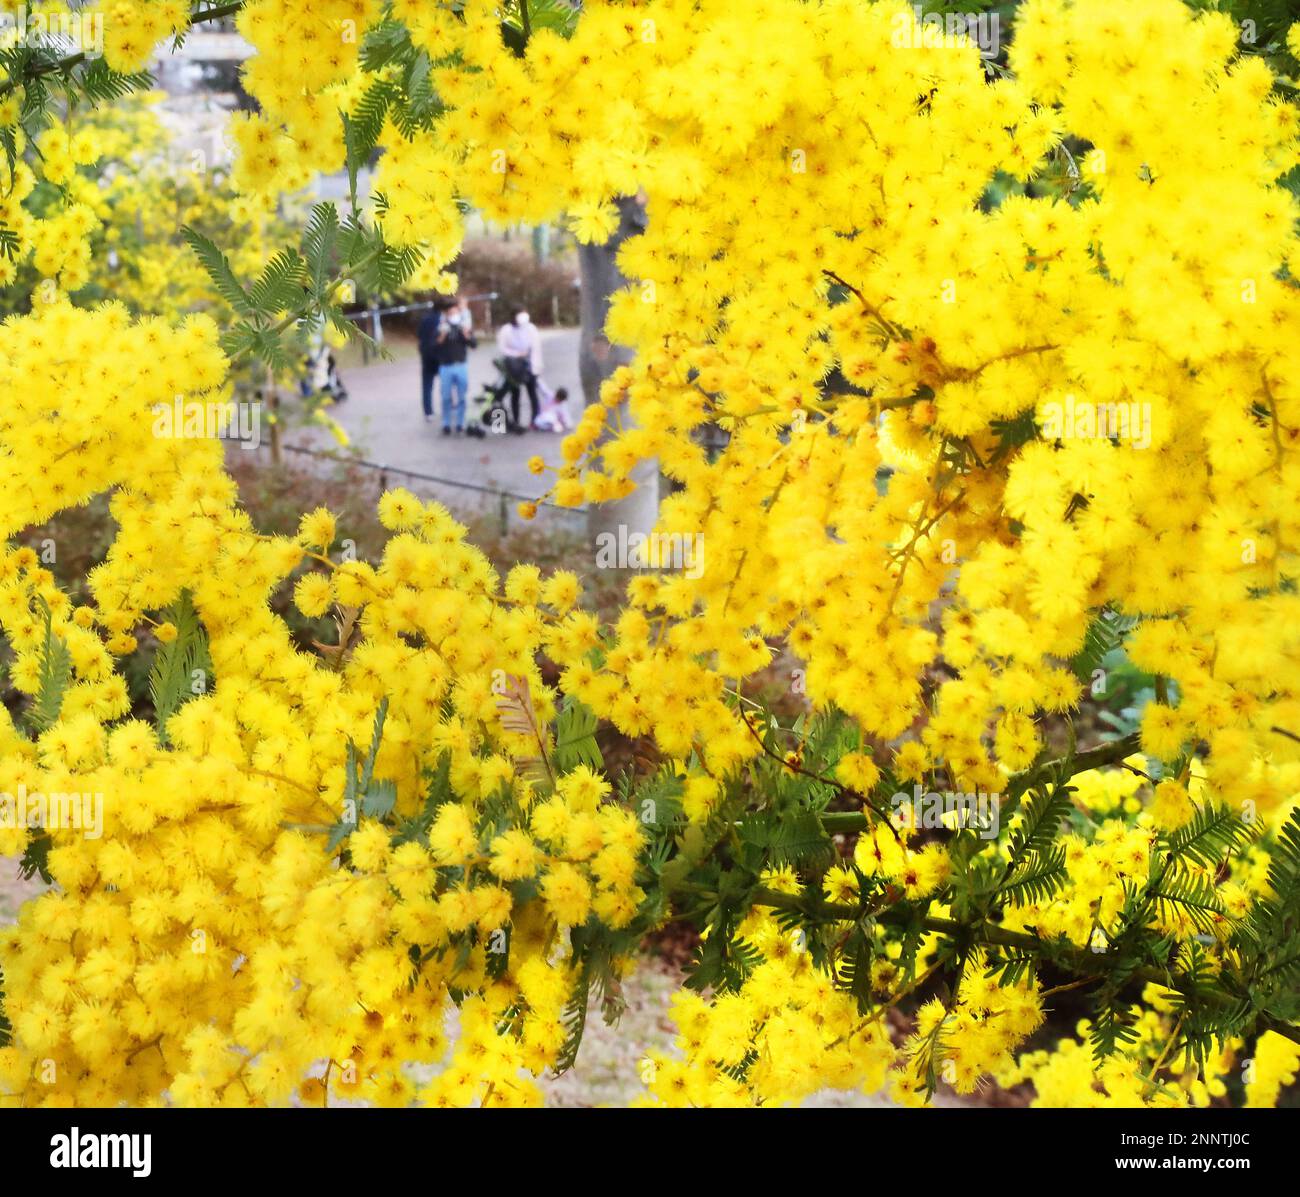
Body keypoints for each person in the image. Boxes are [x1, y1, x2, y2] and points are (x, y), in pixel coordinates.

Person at [496, 309, 542, 433]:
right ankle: (515, 421)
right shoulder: (506, 330)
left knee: (532, 393)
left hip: (529, 366)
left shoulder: (531, 329)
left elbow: (536, 348)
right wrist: (517, 354)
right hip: (514, 367)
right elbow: (502, 348)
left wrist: (536, 367)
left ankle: (535, 421)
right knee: (515, 394)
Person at [435, 297, 476, 436]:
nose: (453, 315)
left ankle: (460, 423)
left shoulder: (463, 326)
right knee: (446, 397)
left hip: (461, 365)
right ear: (447, 314)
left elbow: (474, 345)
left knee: (462, 396)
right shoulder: (441, 326)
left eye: (456, 312)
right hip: (445, 366)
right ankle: (446, 423)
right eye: (451, 313)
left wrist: (467, 335)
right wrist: (442, 336)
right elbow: (434, 345)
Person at [417, 303, 444, 423]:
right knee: (446, 383)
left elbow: (419, 335)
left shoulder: (425, 319)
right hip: (439, 355)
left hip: (426, 355)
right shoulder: (443, 321)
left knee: (427, 385)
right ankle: (448, 407)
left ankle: (428, 412)